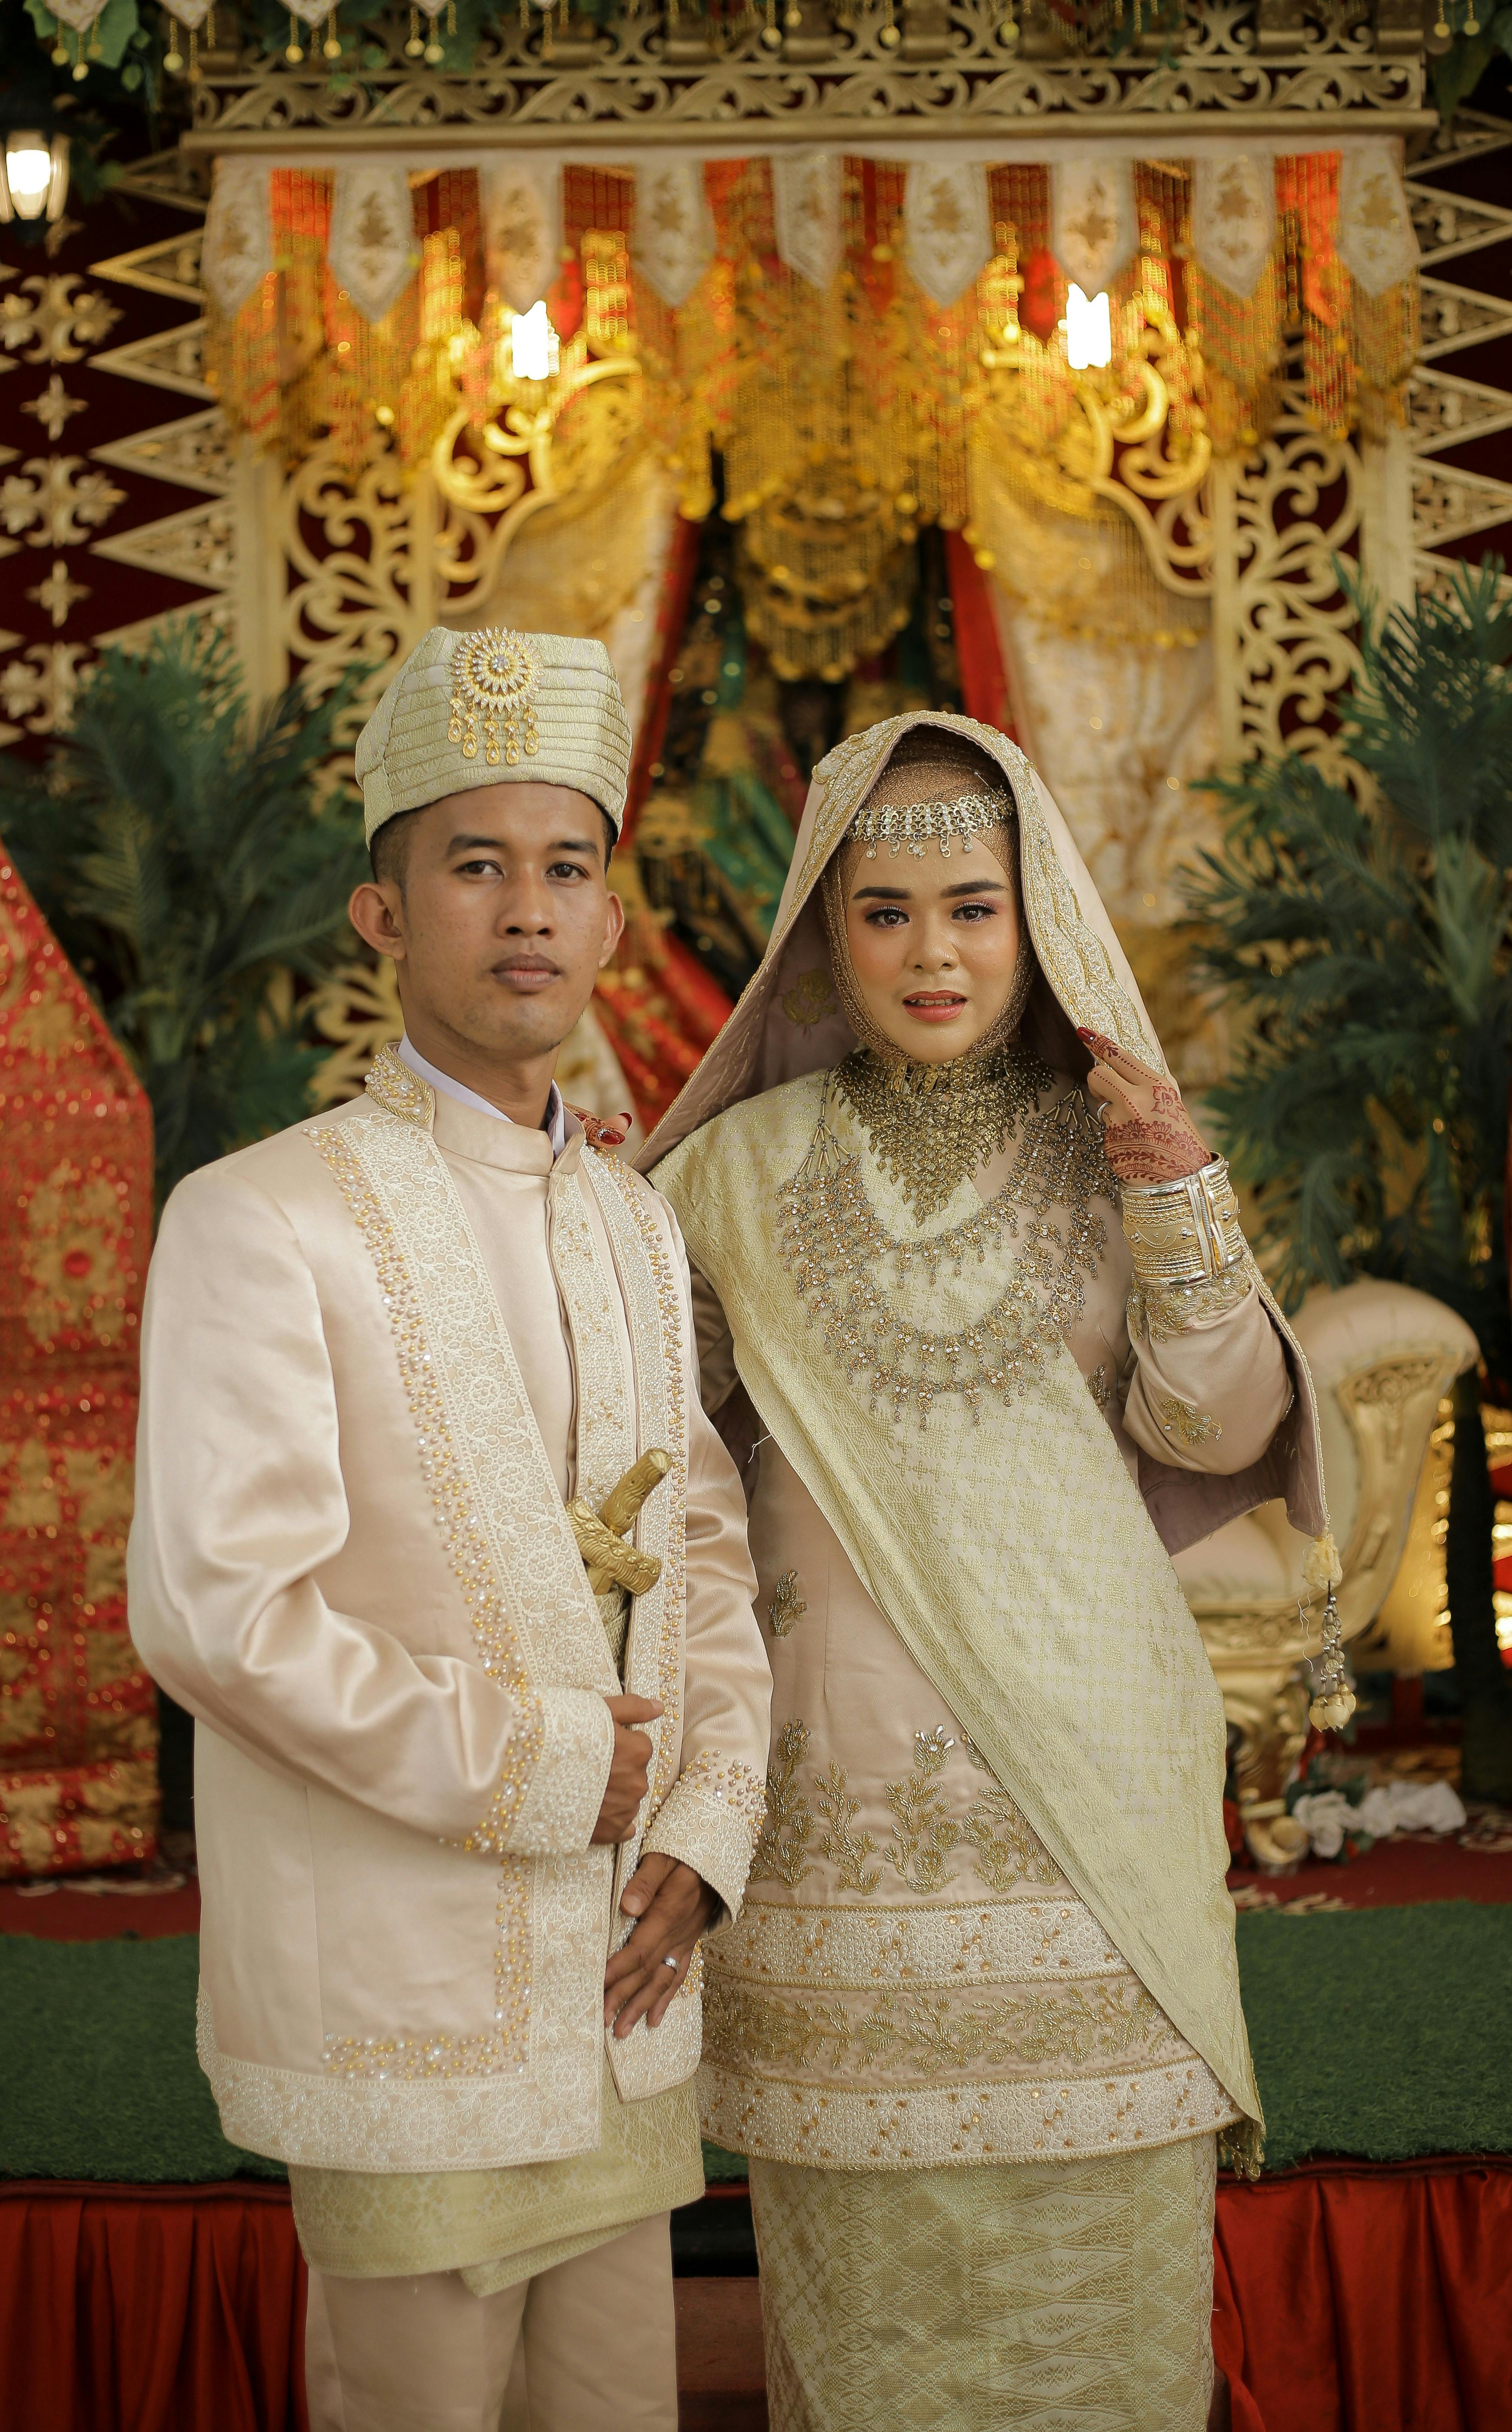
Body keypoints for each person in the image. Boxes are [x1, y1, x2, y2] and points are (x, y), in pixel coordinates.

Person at [642, 714, 1340, 2432]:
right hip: (836, 1802)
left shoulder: (1114, 1149)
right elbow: (629, 1429)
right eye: (885, 913)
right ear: (824, 932)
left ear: (1037, 925)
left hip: (1093, 1784)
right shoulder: (728, 1173)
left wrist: (1182, 1203)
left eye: (972, 906)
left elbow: (1216, 1423)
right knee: (871, 2285)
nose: (932, 953)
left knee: (1103, 2266)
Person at [128, 626, 772, 2432]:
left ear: (611, 918)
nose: (527, 912)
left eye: (567, 868)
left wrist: (703, 1827)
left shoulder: (634, 1223)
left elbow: (705, 1553)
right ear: (381, 915)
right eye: (473, 865)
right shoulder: (265, 1221)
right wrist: (562, 1769)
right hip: (392, 1961)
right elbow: (216, 1607)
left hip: (623, 1962)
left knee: (613, 2406)